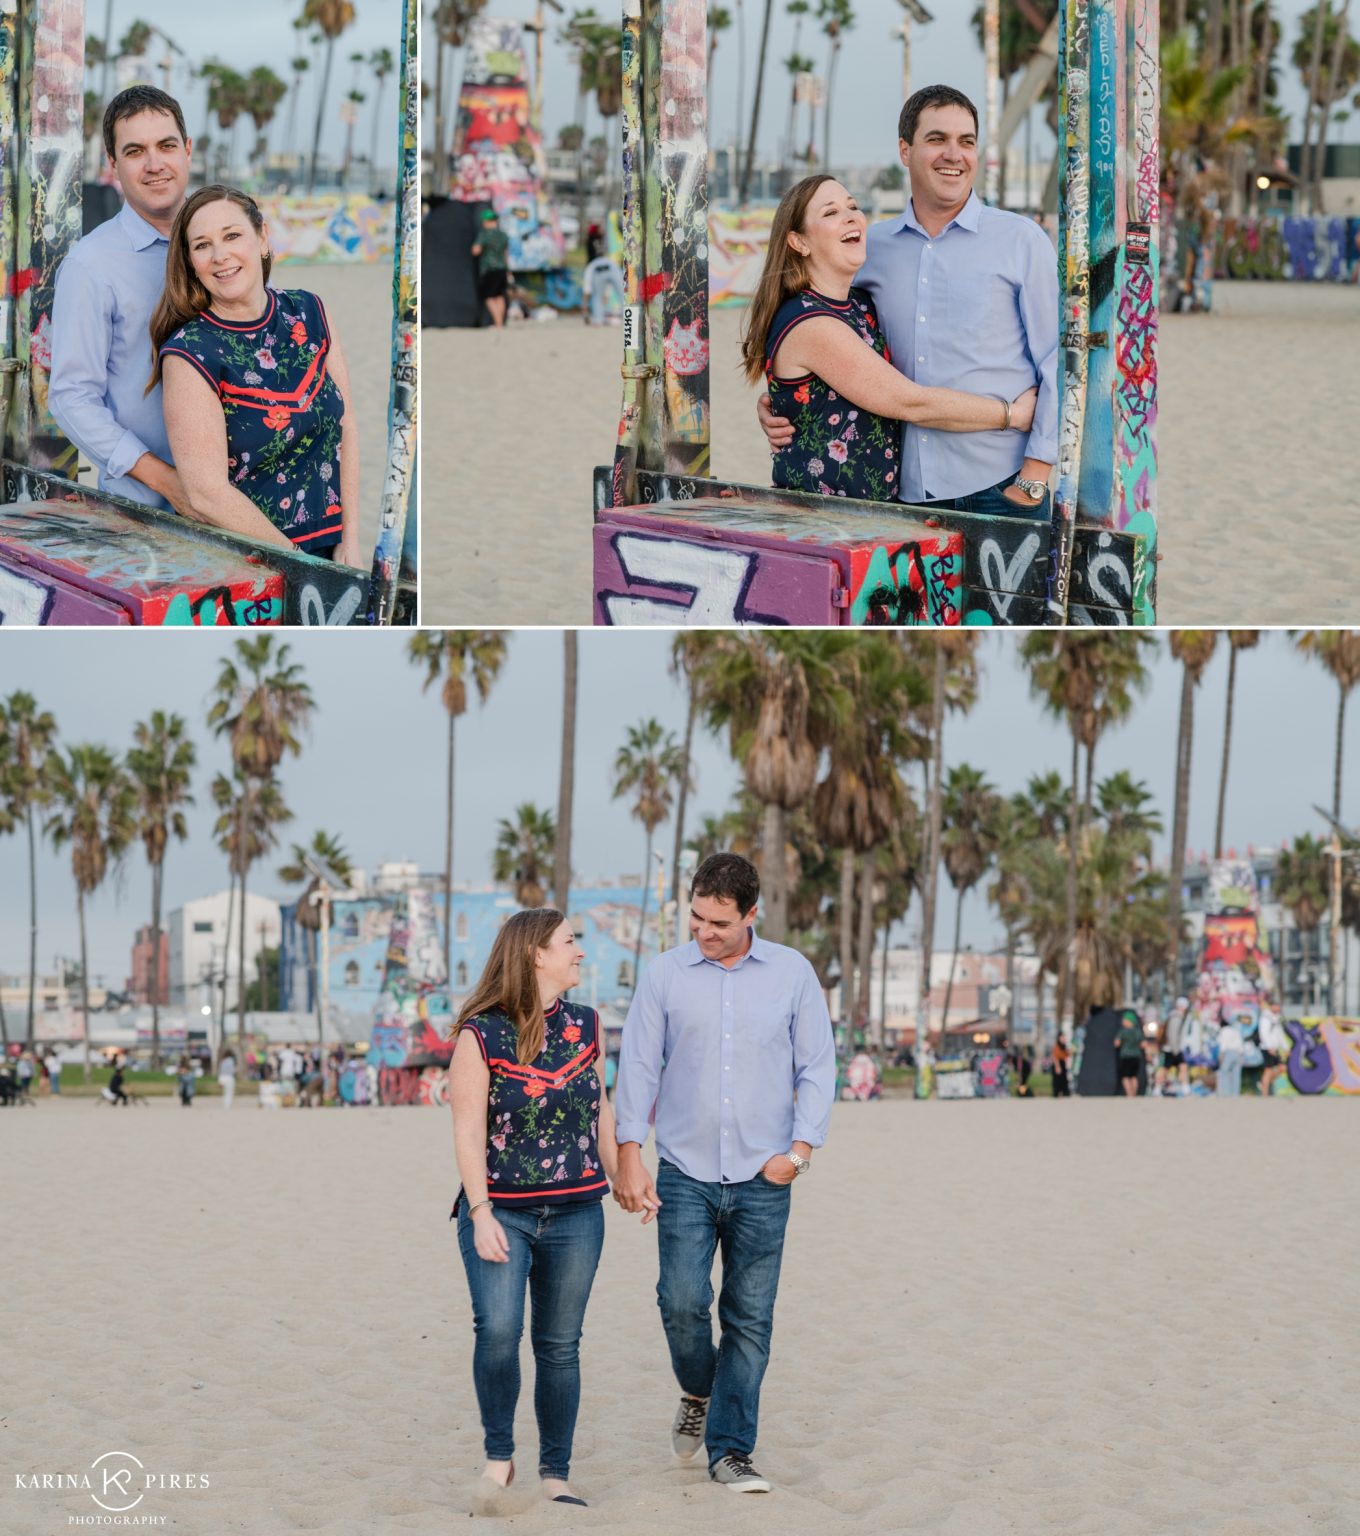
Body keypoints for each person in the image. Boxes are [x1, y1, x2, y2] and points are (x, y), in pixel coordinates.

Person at [614, 853, 836, 1494]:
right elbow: (639, 1068)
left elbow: (816, 1066)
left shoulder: (792, 973)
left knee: (749, 1318)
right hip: (683, 1169)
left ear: (751, 915)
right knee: (680, 1302)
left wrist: (798, 1152)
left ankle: (731, 1449)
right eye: (696, 918)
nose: (703, 932)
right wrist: (631, 1151)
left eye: (719, 922)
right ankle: (697, 1389)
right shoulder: (665, 974)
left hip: (766, 1176)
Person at [759, 86, 1057, 519]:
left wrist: (1035, 475)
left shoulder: (1021, 240)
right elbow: (810, 323)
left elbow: (1057, 360)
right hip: (907, 493)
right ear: (905, 149)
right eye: (937, 139)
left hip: (1002, 485)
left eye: (967, 142)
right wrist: (781, 403)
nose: (954, 154)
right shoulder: (869, 249)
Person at [448, 908, 640, 1512]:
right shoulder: (480, 1034)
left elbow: (600, 1111)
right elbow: (466, 1131)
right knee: (500, 1333)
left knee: (560, 1345)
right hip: (501, 1211)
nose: (580, 952)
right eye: (570, 942)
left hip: (579, 1213)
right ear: (535, 954)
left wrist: (627, 1176)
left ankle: (555, 1473)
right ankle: (499, 1460)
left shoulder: (587, 1024)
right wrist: (479, 1212)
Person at [740, 174, 1038, 502]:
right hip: (822, 520)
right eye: (830, 213)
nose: (851, 215)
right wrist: (1012, 414)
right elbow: (908, 401)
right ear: (799, 242)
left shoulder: (860, 304)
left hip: (875, 517)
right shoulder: (809, 322)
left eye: (852, 206)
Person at [148, 184, 361, 564]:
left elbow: (346, 427)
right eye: (202, 245)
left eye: (232, 235)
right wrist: (298, 562)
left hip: (334, 551)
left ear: (262, 238)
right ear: (191, 263)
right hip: (249, 562)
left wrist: (351, 540)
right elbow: (205, 494)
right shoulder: (189, 354)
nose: (220, 256)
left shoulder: (311, 311)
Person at [50, 86, 194, 512]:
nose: (155, 164)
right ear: (112, 164)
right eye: (135, 151)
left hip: (245, 498)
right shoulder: (90, 265)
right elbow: (72, 397)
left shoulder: (221, 245)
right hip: (147, 515)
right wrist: (166, 482)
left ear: (187, 149)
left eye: (166, 145)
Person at [471, 208, 510, 329]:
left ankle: (498, 324)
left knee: (489, 297)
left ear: (486, 222)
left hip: (489, 269)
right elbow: (505, 254)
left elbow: (475, 251)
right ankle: (501, 323)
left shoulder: (484, 234)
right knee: (499, 296)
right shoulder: (503, 235)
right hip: (502, 268)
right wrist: (508, 270)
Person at [1257, 1007, 1288, 1097]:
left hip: (1276, 1048)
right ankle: (1265, 1094)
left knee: (1283, 1067)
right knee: (1268, 1070)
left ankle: (1263, 1083)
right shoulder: (1265, 1018)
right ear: (1272, 1006)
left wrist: (1286, 1047)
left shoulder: (1277, 1018)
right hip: (1267, 1048)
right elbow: (1264, 1034)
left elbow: (1280, 1034)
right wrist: (1269, 1047)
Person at [1216, 1012, 1245, 1097]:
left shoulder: (1225, 1030)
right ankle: (1235, 1094)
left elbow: (1223, 1044)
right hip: (1238, 1053)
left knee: (1224, 1073)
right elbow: (1240, 1044)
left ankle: (1223, 1093)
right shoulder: (1236, 1030)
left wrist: (1221, 1054)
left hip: (1228, 1053)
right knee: (1236, 1075)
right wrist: (1241, 1055)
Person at [1115, 1009, 1143, 1098]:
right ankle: (1134, 1095)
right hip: (1136, 1056)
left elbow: (1117, 1043)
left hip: (1125, 1056)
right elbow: (1143, 1044)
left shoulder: (1123, 1031)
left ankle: (1129, 1094)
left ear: (1128, 1021)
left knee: (1125, 1077)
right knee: (1134, 1076)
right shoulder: (1138, 1031)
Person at [1051, 1033, 1071, 1098]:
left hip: (1063, 1064)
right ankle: (1056, 1093)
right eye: (1062, 1038)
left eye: (1064, 1038)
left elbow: (1067, 1055)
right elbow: (1055, 1057)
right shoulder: (1057, 1047)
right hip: (1058, 1064)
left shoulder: (1064, 1047)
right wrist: (1057, 1066)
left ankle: (1065, 1093)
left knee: (1064, 1080)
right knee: (1057, 1081)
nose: (1063, 1039)